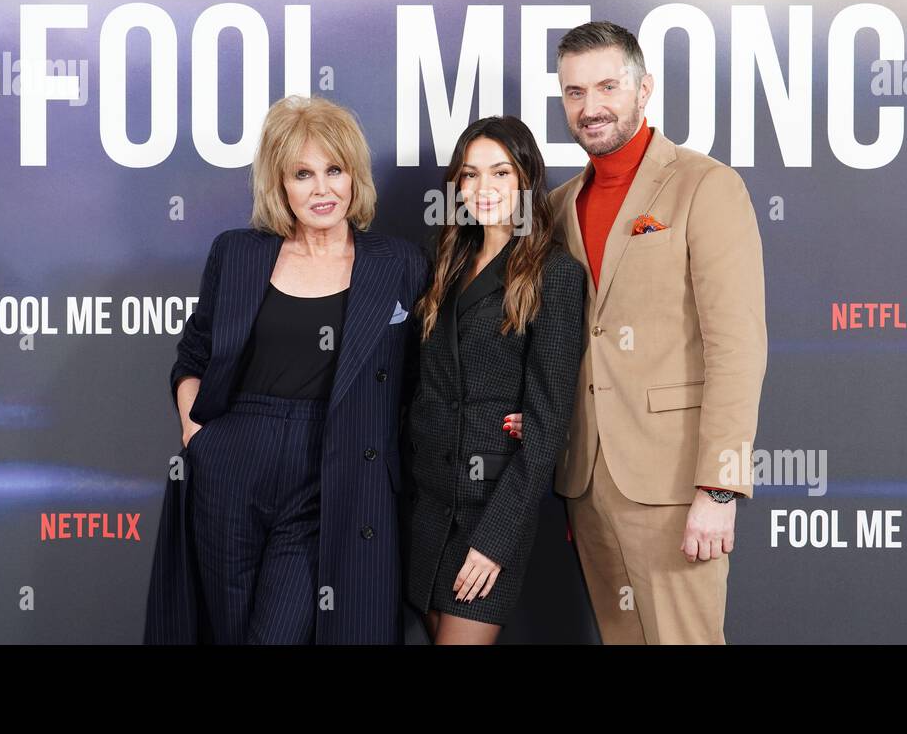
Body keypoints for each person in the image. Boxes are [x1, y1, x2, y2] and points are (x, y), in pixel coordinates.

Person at [144, 94, 428, 644]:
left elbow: (418, 382)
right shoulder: (238, 254)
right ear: (279, 184)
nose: (321, 189)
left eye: (334, 170)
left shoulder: (399, 264)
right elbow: (194, 355)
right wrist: (196, 433)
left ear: (354, 177)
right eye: (303, 174)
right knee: (226, 632)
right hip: (230, 464)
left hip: (329, 472)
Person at [541, 20, 768, 644]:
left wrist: (719, 487)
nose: (591, 108)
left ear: (644, 90)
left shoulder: (707, 186)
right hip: (587, 481)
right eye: (574, 92)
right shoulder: (559, 205)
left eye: (607, 87)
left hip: (674, 483)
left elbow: (737, 346)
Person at [404, 116, 586, 644]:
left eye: (501, 173)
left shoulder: (554, 274)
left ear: (527, 179)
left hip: (491, 511)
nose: (483, 189)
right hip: (427, 507)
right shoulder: (445, 260)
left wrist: (495, 541)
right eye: (470, 174)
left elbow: (547, 425)